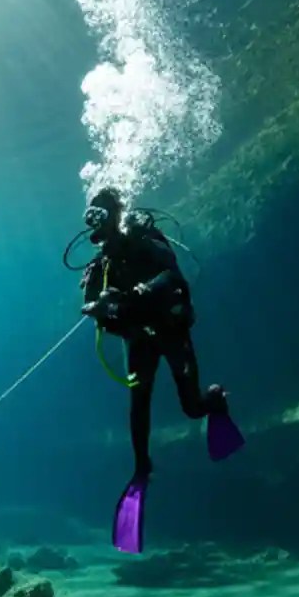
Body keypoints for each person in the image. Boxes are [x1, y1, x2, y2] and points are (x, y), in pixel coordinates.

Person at [76, 186, 243, 554]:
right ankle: (141, 469)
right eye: (94, 216)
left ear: (118, 214)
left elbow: (172, 275)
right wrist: (103, 310)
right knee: (139, 403)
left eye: (104, 213)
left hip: (169, 329)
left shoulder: (144, 239)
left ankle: (215, 401)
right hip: (138, 340)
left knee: (191, 407)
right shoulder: (99, 268)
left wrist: (138, 293)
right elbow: (91, 308)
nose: (98, 224)